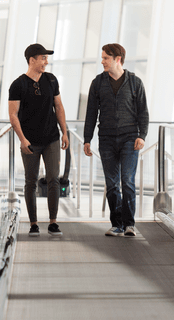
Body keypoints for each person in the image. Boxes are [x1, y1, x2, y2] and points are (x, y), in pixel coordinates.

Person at [83, 43, 149, 238]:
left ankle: (129, 224)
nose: (102, 61)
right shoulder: (97, 83)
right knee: (112, 184)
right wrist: (87, 139)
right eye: (102, 58)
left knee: (127, 181)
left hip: (130, 139)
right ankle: (117, 224)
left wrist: (142, 136)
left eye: (106, 58)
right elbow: (91, 113)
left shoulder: (135, 82)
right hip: (106, 139)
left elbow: (143, 112)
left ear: (117, 59)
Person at [8, 43, 69, 237]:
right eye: (43, 58)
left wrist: (64, 132)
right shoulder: (18, 85)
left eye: (46, 58)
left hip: (51, 138)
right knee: (31, 181)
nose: (46, 61)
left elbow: (59, 106)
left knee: (54, 179)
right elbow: (13, 115)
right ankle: (33, 224)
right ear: (31, 60)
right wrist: (22, 139)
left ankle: (53, 222)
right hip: (30, 142)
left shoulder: (51, 80)